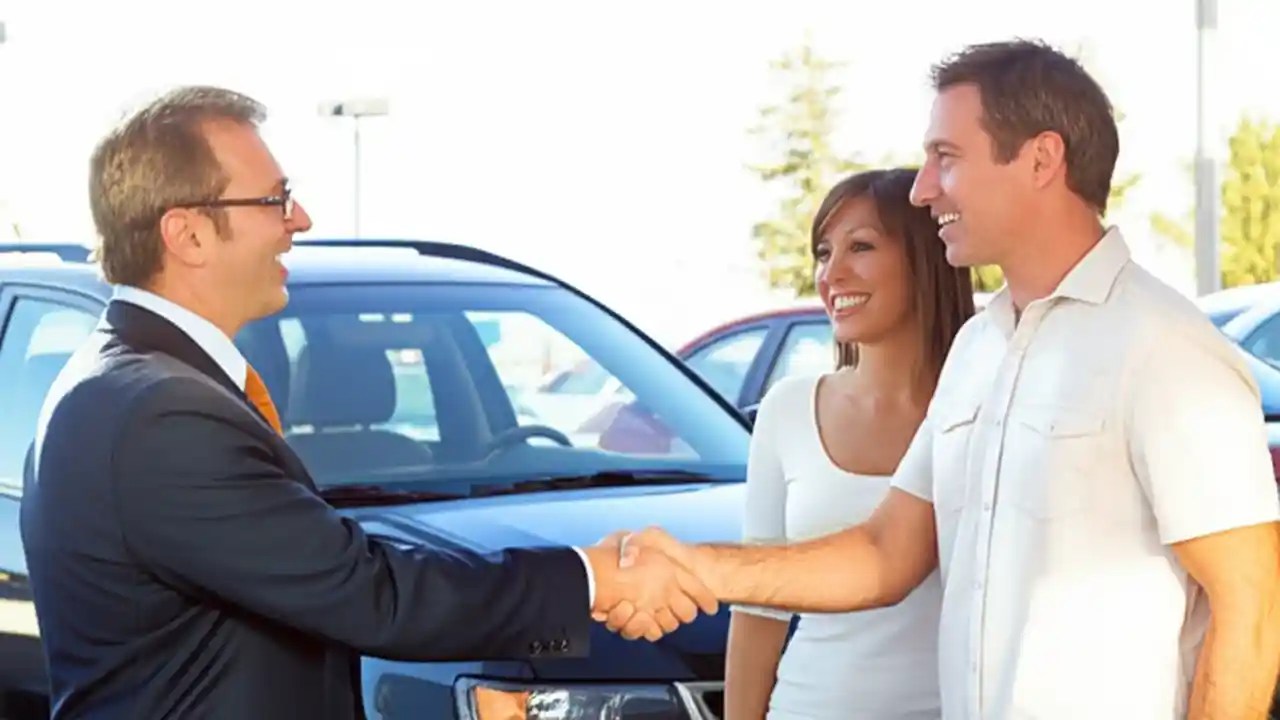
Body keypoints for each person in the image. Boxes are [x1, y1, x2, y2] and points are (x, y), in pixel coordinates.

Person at [606, 40, 1280, 720]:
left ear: (1041, 159)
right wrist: (694, 566)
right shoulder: (977, 349)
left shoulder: (1167, 352)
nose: (924, 188)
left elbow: (1251, 607)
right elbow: (884, 551)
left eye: (946, 158)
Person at [19, 86, 716, 720]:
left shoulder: (129, 382)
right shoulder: (159, 414)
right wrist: (592, 576)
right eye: (274, 199)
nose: (300, 219)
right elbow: (371, 593)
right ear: (188, 234)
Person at [724, 167, 973, 720]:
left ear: (927, 258)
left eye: (860, 247)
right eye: (822, 252)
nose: (832, 273)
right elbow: (757, 610)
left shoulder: (988, 404)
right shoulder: (788, 409)